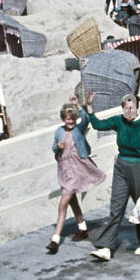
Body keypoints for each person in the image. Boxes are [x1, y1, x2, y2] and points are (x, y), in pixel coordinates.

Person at [88, 94, 140, 261]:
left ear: (136, 107)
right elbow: (98, 124)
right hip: (121, 166)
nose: (129, 110)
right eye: (125, 107)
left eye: (131, 107)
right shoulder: (119, 121)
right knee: (116, 206)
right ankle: (106, 246)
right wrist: (90, 108)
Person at [47, 93, 104, 253]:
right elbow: (53, 147)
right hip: (64, 168)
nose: (70, 122)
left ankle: (55, 239)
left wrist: (79, 104)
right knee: (72, 200)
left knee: (62, 203)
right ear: (63, 119)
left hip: (77, 169)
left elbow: (85, 117)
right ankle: (82, 227)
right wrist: (57, 147)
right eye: (68, 120)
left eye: (72, 120)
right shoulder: (59, 131)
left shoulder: (78, 129)